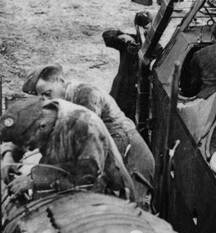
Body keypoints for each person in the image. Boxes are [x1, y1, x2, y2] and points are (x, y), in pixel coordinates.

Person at [24, 64, 155, 198]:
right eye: (42, 98)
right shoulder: (60, 105)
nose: (46, 101)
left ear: (61, 81)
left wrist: (37, 179)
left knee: (129, 213)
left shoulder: (86, 95)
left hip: (132, 158)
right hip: (111, 155)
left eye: (48, 94)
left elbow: (82, 149)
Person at [0, 95, 135, 201]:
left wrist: (34, 180)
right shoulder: (42, 112)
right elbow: (20, 135)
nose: (28, 149)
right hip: (67, 189)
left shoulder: (84, 126)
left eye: (29, 144)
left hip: (106, 196)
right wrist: (8, 156)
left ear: (42, 126)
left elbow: (86, 179)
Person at [101, 12, 150, 122]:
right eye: (144, 27)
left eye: (148, 27)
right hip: (123, 86)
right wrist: (122, 36)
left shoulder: (152, 44)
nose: (146, 30)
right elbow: (107, 36)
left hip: (140, 89)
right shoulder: (129, 40)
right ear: (137, 27)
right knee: (113, 115)